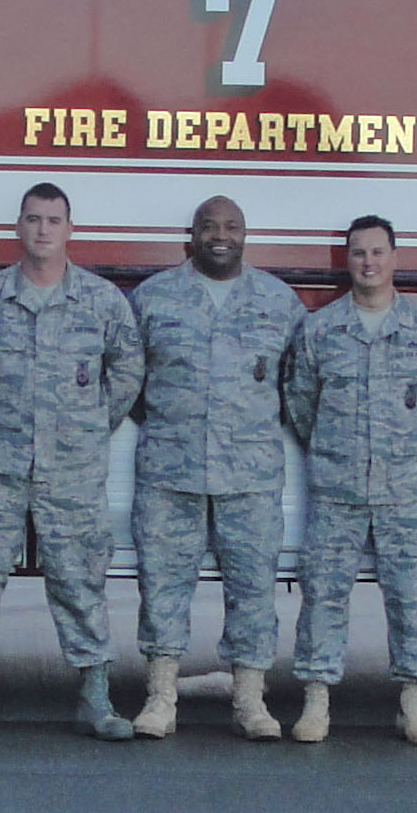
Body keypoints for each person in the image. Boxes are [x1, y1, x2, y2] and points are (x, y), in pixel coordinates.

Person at [0, 183, 146, 741]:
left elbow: (127, 373)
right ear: (18, 227)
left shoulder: (103, 302)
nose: (43, 230)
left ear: (69, 229)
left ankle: (96, 696)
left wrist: (88, 426)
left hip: (73, 470)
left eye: (54, 220)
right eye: (33, 219)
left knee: (81, 582)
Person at [126, 194, 305, 740]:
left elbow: (296, 386)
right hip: (169, 472)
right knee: (162, 587)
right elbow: (131, 383)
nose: (219, 235)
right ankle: (160, 698)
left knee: (252, 590)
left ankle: (251, 702)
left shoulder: (279, 302)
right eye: (209, 226)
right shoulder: (153, 298)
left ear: (245, 235)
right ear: (192, 234)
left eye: (231, 226)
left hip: (249, 476)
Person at [281, 215, 417, 745]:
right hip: (337, 489)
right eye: (358, 253)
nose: (369, 262)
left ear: (395, 258)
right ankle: (316, 702)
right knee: (323, 597)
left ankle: (413, 703)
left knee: (411, 598)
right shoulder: (320, 329)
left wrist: (409, 446)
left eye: (378, 252)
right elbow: (300, 402)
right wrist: (339, 450)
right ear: (346, 260)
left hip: (406, 490)